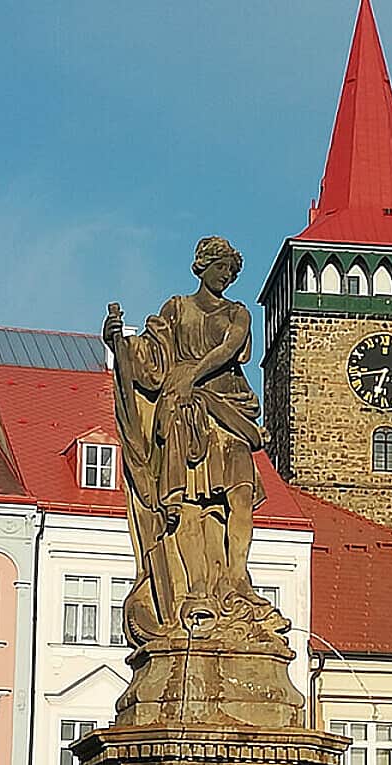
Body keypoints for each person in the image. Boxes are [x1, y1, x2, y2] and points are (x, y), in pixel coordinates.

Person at [104, 236, 268, 640]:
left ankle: (235, 577)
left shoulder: (238, 313)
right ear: (203, 266)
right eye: (221, 268)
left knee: (240, 495)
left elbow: (229, 350)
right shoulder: (177, 310)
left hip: (228, 410)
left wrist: (190, 375)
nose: (227, 276)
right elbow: (151, 361)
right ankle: (197, 589)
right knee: (192, 503)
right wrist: (119, 343)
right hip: (187, 417)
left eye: (232, 271)